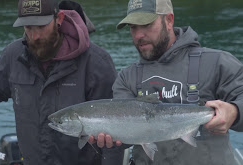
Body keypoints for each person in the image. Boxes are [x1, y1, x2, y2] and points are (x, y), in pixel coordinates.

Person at [0, 0, 118, 164]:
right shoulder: (13, 55)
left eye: (41, 26)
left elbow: (116, 129)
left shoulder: (96, 62)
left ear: (58, 19)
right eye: (29, 27)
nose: (35, 36)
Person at [90, 0, 243, 164]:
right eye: (133, 27)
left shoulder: (217, 62)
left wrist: (235, 111)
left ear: (169, 20)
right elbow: (126, 138)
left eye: (146, 24)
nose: (138, 35)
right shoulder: (126, 78)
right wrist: (112, 140)